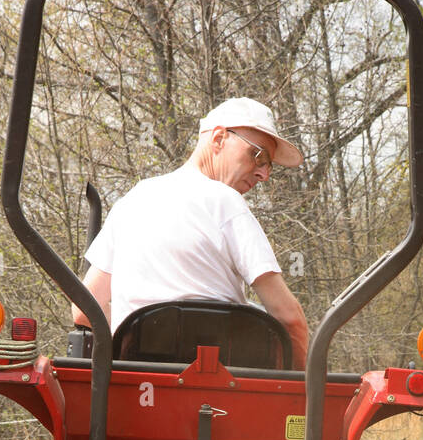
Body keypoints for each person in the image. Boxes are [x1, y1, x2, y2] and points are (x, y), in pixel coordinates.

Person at [72, 97, 309, 367]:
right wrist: (303, 396)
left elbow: (83, 309)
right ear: (219, 138)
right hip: (222, 393)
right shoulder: (226, 202)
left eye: (269, 165)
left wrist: (140, 332)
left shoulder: (133, 199)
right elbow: (289, 318)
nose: (264, 174)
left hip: (134, 390)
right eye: (258, 156)